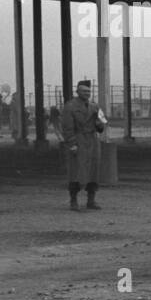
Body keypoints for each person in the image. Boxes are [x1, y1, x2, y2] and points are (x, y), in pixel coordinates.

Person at [60, 80, 106, 210]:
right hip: (79, 140)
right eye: (84, 91)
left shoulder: (95, 107)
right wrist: (72, 144)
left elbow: (103, 123)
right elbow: (67, 128)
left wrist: (99, 125)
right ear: (78, 92)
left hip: (92, 141)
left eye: (89, 91)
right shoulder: (70, 106)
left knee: (93, 171)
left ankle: (91, 200)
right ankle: (73, 201)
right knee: (76, 171)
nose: (87, 94)